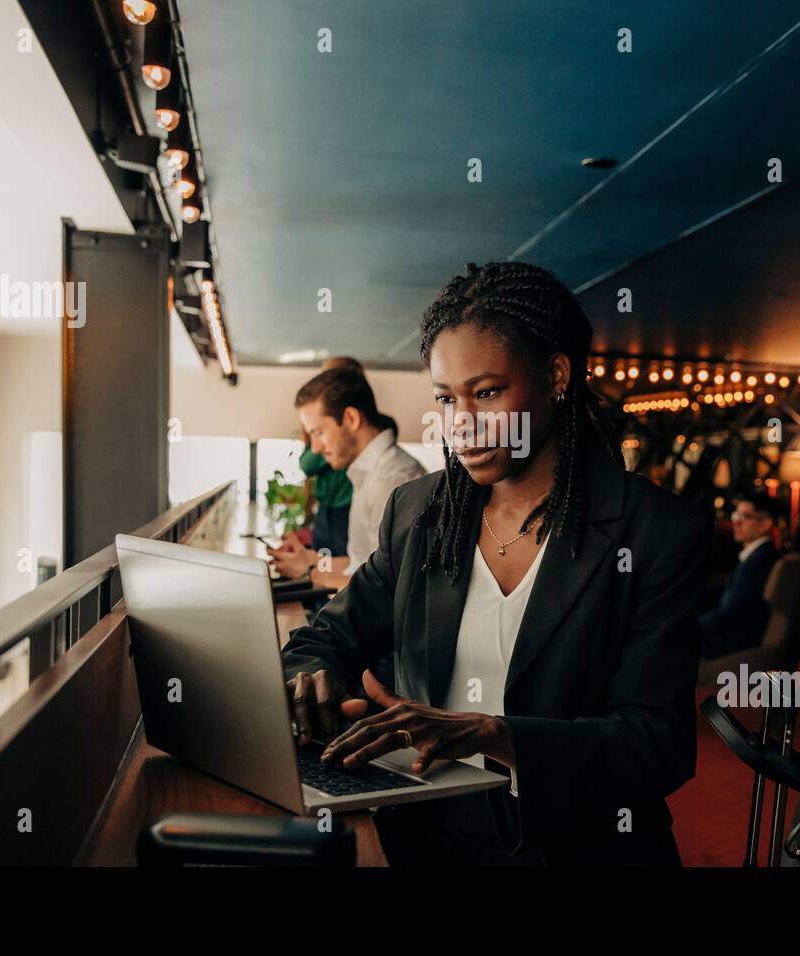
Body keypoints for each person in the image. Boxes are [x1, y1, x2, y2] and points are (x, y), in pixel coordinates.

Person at [281, 261, 706, 866]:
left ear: (556, 375)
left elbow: (656, 743)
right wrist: (311, 678)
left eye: (486, 393)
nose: (462, 424)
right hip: (429, 835)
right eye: (446, 399)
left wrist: (494, 735)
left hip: (580, 846)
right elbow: (324, 639)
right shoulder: (418, 511)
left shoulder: (656, 529)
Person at [267, 366, 424, 592]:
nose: (317, 448)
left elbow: (384, 589)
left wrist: (308, 574)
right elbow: (359, 564)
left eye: (318, 433)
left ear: (350, 418)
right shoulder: (367, 473)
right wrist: (310, 560)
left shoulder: (391, 480)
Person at [697, 491, 784, 659]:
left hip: (734, 644)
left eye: (745, 516)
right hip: (735, 637)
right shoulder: (762, 555)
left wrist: (687, 626)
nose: (735, 522)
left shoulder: (758, 561)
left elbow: (731, 613)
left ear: (765, 524)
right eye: (736, 514)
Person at [300, 357, 366, 557]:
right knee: (325, 564)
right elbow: (307, 464)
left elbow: (308, 463)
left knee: (346, 563)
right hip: (325, 510)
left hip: (346, 509)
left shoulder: (370, 427)